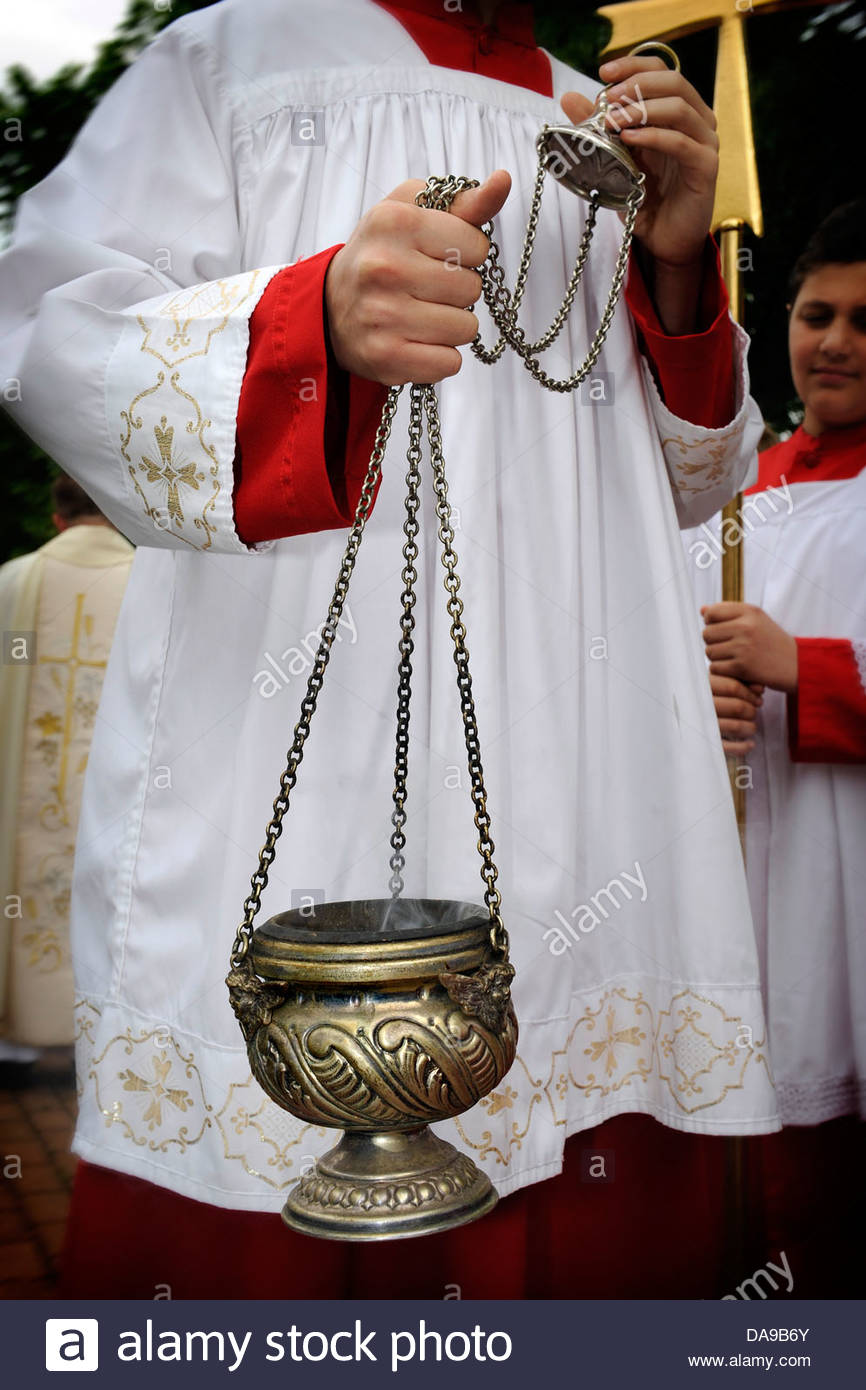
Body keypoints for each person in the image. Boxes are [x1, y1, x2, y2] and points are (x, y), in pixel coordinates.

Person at [0, 0, 775, 1296]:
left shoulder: (604, 119)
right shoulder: (233, 59)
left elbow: (688, 483)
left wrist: (677, 270)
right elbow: (45, 327)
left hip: (588, 756)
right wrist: (309, 325)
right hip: (308, 726)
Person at [693, 199, 866, 1294]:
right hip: (747, 856)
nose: (835, 340)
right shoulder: (731, 494)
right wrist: (691, 696)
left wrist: (801, 666)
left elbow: (782, 654)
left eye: (861, 319)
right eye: (813, 314)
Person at [0, 477, 133, 1080]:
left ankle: (23, 1033)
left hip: (27, 780)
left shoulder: (15, 582)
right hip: (125, 781)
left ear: (56, 519)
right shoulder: (148, 580)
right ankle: (113, 1027)